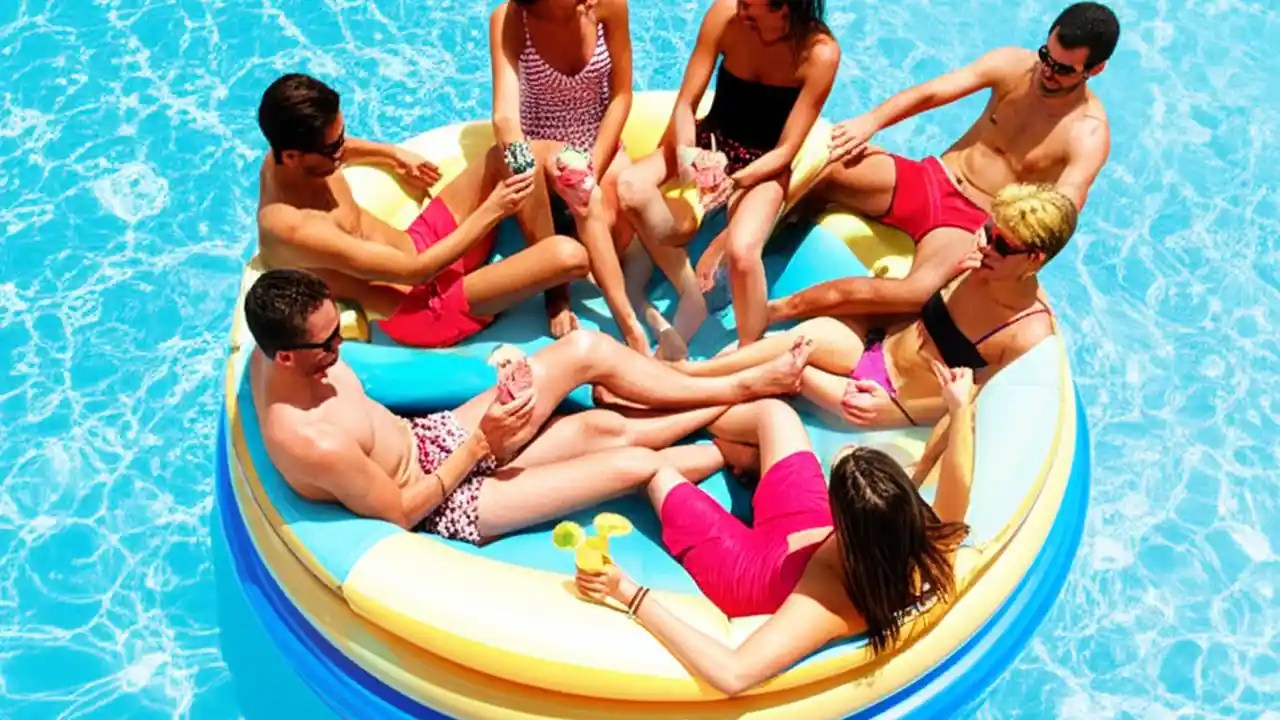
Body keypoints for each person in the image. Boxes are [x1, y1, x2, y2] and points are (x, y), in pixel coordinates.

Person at [245, 269, 814, 544]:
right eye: (327, 346)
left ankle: (731, 387)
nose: (340, 348)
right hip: (442, 503)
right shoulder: (309, 438)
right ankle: (735, 423)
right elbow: (398, 512)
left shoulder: (275, 351)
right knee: (618, 452)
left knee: (584, 351)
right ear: (287, 358)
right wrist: (480, 444)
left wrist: (473, 423)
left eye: (337, 331)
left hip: (432, 440)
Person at [575, 360, 979, 695]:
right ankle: (672, 406)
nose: (843, 451)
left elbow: (733, 675)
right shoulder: (932, 537)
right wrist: (960, 408)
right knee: (775, 414)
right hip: (807, 527)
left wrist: (629, 593)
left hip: (751, 572)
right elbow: (958, 478)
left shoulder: (827, 602)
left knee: (654, 470)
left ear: (845, 522)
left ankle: (679, 444)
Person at [768, 2, 1118, 327]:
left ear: (1096, 69)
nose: (1048, 71)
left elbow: (1062, 211)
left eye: (1063, 69)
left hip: (972, 224)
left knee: (917, 293)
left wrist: (1021, 269)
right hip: (932, 178)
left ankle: (782, 309)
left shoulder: (1087, 133)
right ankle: (745, 249)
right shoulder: (1013, 65)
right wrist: (870, 121)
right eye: (1047, 55)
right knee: (823, 168)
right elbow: (932, 92)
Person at [660, 183, 1075, 429]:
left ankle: (677, 390)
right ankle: (685, 377)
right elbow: (893, 299)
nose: (985, 243)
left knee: (790, 370)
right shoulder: (974, 262)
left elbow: (978, 403)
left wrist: (897, 414)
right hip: (873, 349)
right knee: (799, 341)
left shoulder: (1028, 332)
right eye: (987, 230)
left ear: (1034, 259)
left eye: (1000, 244)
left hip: (884, 400)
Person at [255, 72, 589, 349]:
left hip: (420, 242)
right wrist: (492, 210)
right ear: (293, 156)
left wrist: (393, 155)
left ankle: (553, 292)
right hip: (422, 307)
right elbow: (414, 272)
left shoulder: (290, 157)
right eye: (333, 147)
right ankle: (552, 282)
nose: (343, 149)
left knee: (514, 154)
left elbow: (344, 147)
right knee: (569, 255)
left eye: (340, 137)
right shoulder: (291, 227)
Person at [615, 0, 840, 350]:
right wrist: (690, 157)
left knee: (743, 251)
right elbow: (686, 105)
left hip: (765, 163)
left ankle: (749, 349)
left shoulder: (819, 54)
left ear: (783, 8)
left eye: (750, 3)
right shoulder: (726, 17)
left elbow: (786, 150)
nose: (740, 6)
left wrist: (735, 182)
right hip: (708, 141)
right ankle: (689, 292)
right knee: (628, 185)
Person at [490, 0, 648, 350]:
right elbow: (504, 116)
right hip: (542, 144)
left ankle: (579, 252)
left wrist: (592, 166)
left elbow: (621, 95)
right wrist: (523, 168)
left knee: (621, 209)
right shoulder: (512, 19)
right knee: (573, 195)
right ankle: (569, 298)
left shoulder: (608, 7)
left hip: (597, 142)